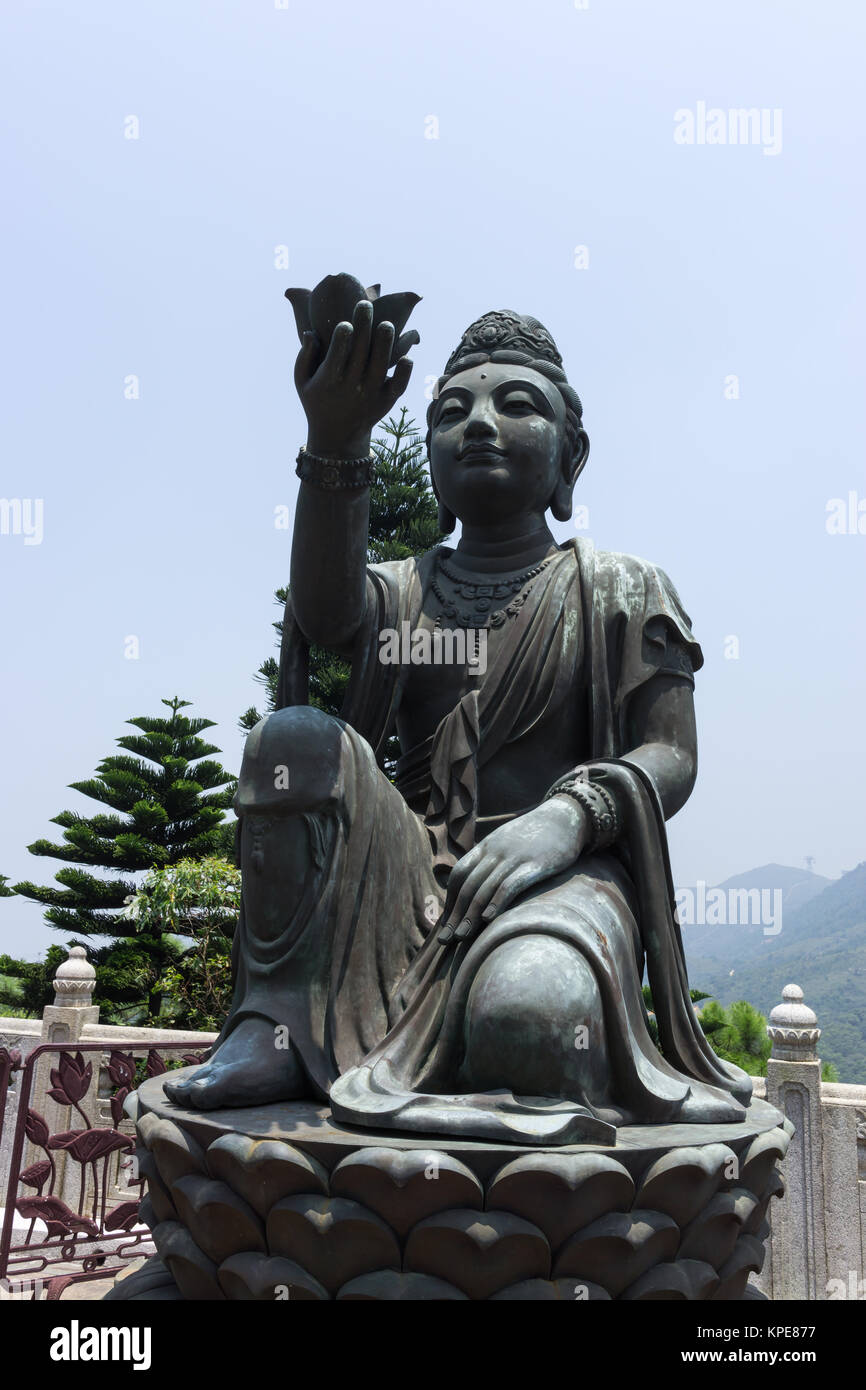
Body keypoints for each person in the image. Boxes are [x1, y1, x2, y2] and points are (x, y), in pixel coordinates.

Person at [165, 289, 751, 1144]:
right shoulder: (405, 591)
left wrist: (566, 819)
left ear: (571, 458)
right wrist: (336, 438)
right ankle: (280, 1027)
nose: (479, 424)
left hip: (557, 877)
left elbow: (671, 755)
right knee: (292, 741)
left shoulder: (621, 589)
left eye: (516, 405)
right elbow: (325, 612)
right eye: (452, 413)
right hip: (403, 875)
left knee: (532, 1018)